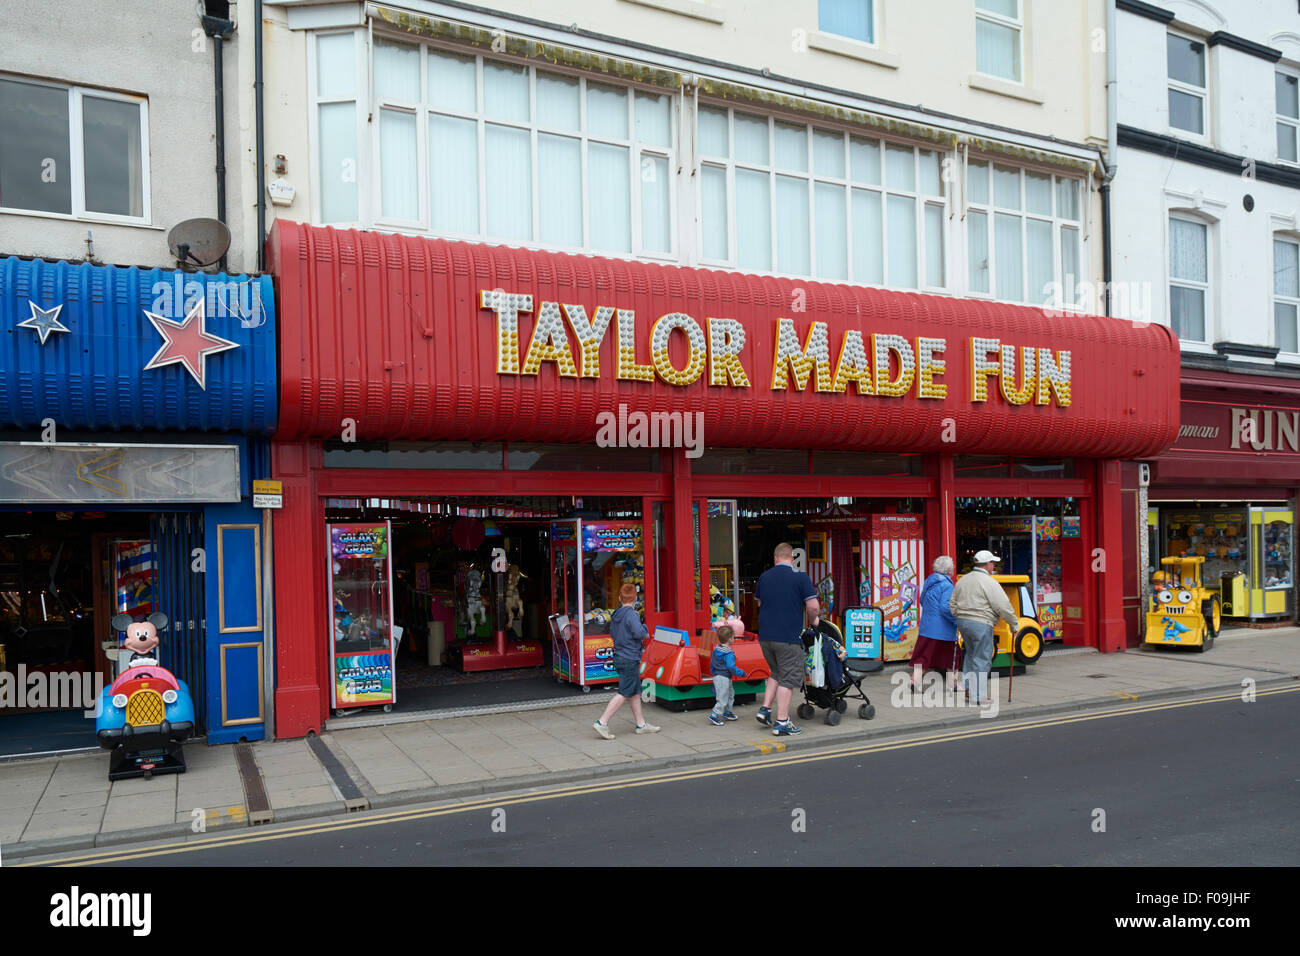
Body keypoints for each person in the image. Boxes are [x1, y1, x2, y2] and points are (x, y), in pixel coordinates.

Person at [755, 542, 819, 736]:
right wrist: (814, 620)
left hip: (765, 637)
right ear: (792, 559)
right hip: (788, 638)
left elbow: (759, 603)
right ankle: (782, 722)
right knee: (788, 679)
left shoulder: (764, 577)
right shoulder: (800, 577)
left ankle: (765, 710)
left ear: (775, 558)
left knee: (776, 672)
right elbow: (813, 606)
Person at [949, 549, 1018, 706]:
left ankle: (967, 688)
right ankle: (978, 697)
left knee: (970, 654)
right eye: (992, 563)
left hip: (963, 622)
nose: (993, 566)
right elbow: (1003, 606)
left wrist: (959, 615)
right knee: (982, 659)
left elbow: (952, 602)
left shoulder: (963, 580)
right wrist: (1014, 624)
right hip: (981, 623)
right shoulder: (989, 582)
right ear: (987, 564)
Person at [593, 582, 660, 739]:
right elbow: (640, 633)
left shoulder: (616, 614)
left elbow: (613, 634)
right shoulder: (632, 615)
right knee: (624, 692)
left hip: (620, 656)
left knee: (635, 691)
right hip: (630, 658)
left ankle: (641, 724)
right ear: (635, 598)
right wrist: (646, 629)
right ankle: (602, 723)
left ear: (619, 598)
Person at [911, 556, 961, 691]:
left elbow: (922, 600)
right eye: (953, 567)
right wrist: (956, 620)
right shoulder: (947, 586)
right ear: (949, 570)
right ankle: (953, 684)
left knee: (923, 657)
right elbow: (946, 608)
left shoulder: (929, 582)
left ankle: (914, 682)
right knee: (952, 657)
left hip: (927, 627)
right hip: (943, 630)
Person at [707, 625, 745, 726]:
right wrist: (740, 673)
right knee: (723, 697)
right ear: (730, 639)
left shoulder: (716, 649)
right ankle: (714, 715)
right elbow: (731, 667)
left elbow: (712, 663)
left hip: (719, 676)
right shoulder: (729, 653)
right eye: (733, 637)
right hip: (724, 677)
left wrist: (713, 673)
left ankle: (727, 712)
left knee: (729, 694)